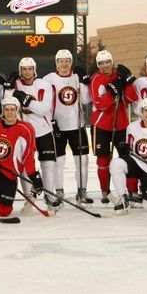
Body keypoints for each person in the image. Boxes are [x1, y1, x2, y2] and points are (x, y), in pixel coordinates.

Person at [1, 56, 58, 208]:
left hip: (44, 130)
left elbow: (43, 109)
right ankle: (29, 198)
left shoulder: (44, 84)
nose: (27, 72)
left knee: (48, 165)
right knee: (24, 167)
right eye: (24, 69)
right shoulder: (16, 84)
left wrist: (27, 100)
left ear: (34, 70)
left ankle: (49, 195)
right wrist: (9, 88)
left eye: (30, 69)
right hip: (24, 132)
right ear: (20, 70)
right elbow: (7, 105)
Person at [88, 50, 139, 203]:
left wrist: (127, 82)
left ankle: (132, 191)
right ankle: (105, 191)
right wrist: (112, 91)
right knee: (103, 160)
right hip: (101, 125)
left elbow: (131, 98)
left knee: (126, 157)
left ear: (112, 62)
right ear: (98, 65)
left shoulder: (119, 75)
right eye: (101, 63)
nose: (105, 66)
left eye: (107, 62)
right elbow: (99, 104)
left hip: (121, 124)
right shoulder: (96, 79)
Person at [44, 49, 93, 203]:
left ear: (71, 62)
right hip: (57, 127)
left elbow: (85, 100)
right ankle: (59, 191)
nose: (64, 64)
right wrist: (50, 120)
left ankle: (82, 191)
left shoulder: (76, 77)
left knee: (83, 160)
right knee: (59, 161)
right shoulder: (49, 79)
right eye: (61, 61)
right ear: (56, 63)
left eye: (67, 61)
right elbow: (45, 101)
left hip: (77, 126)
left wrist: (84, 82)